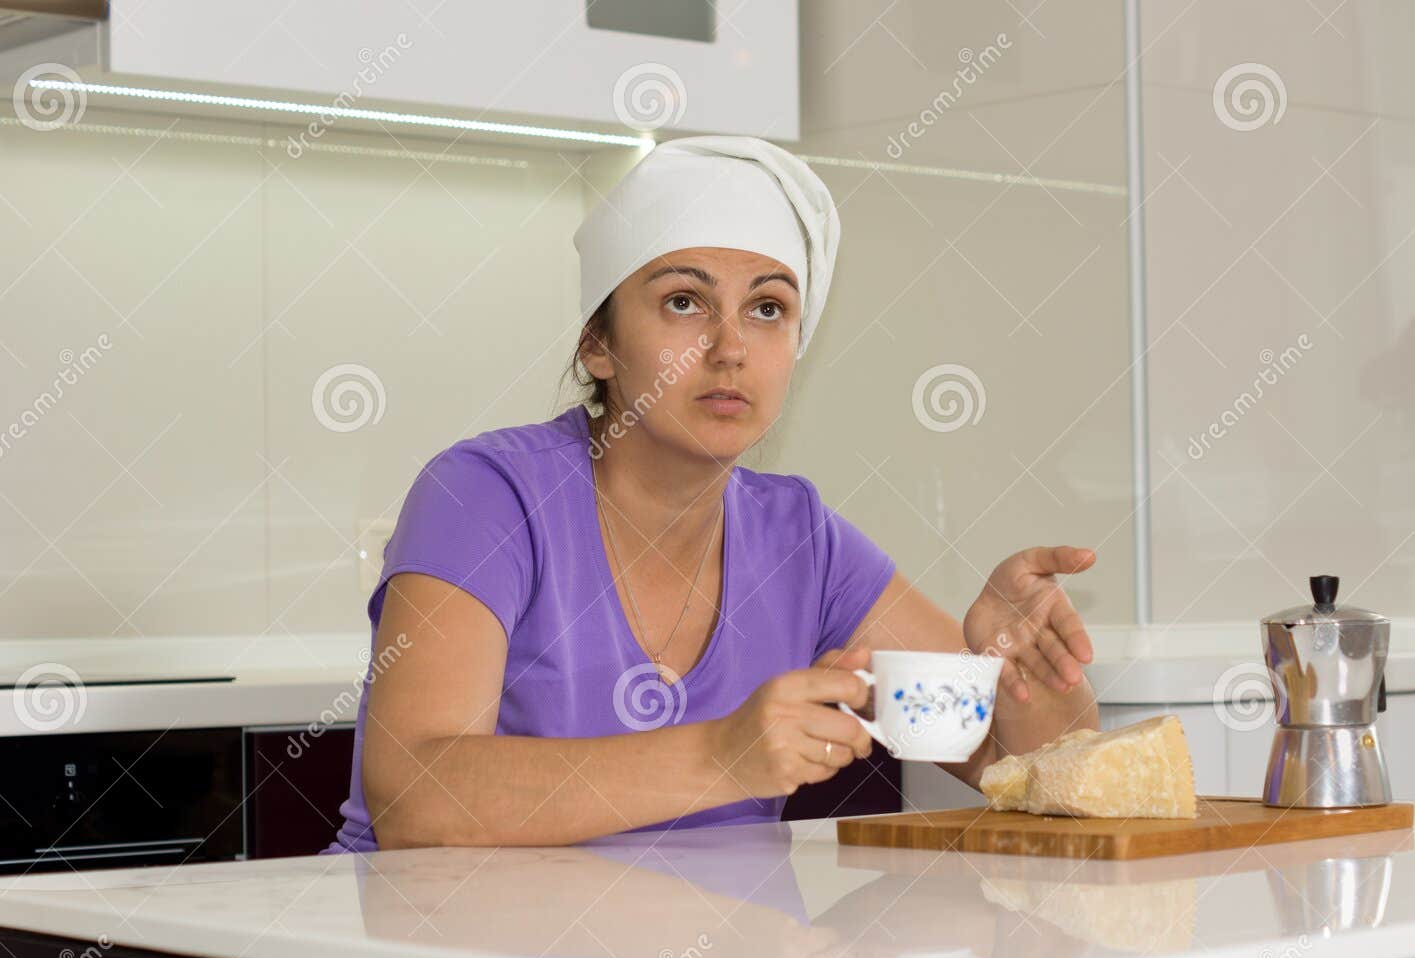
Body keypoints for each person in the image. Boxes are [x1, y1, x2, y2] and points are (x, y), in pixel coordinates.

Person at [324, 135, 1099, 853]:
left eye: (768, 309)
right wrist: (723, 753)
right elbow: (416, 799)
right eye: (684, 302)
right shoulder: (485, 496)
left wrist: (1022, 669)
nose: (730, 349)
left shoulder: (801, 541)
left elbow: (1019, 765)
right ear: (599, 344)